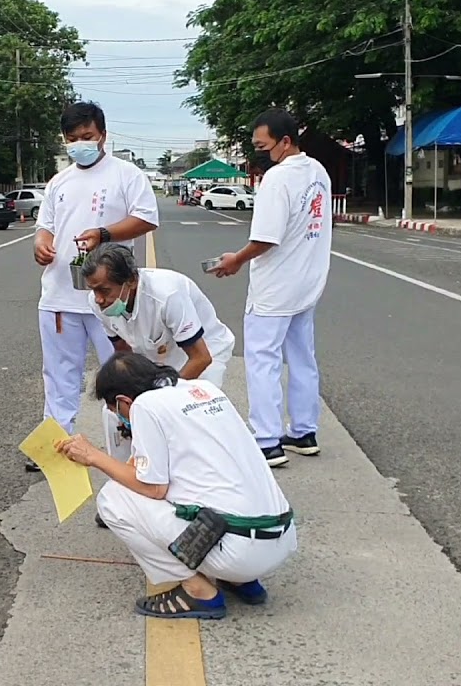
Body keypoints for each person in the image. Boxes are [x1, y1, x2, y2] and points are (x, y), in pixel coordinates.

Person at [57, 353, 297, 620]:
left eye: (116, 412)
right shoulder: (202, 389)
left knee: (112, 498)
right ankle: (241, 581)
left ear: (124, 401)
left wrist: (93, 456)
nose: (120, 419)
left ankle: (198, 591)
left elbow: (153, 489)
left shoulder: (144, 405)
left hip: (238, 551)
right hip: (280, 539)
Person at [32, 101, 159, 470]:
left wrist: (104, 234)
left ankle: (138, 443)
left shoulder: (127, 175)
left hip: (111, 298)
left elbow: (147, 219)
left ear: (102, 135)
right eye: (72, 139)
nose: (79, 144)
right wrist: (41, 244)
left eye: (86, 136)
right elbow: (45, 227)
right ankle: (55, 447)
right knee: (59, 377)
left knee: (124, 373)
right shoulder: (59, 182)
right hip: (60, 295)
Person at [211, 109, 331, 467]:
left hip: (275, 288)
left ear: (285, 142)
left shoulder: (277, 179)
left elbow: (266, 238)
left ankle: (267, 440)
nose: (258, 152)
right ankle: (304, 431)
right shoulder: (318, 172)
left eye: (263, 146)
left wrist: (236, 259)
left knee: (263, 360)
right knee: (302, 358)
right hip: (307, 284)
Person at [83, 242, 235, 462]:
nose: (98, 299)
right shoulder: (99, 303)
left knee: (187, 414)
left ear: (131, 281)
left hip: (203, 354)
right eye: (93, 290)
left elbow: (201, 358)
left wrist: (158, 399)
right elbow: (125, 355)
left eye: (104, 290)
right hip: (154, 356)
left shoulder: (167, 294)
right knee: (116, 410)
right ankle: (126, 472)